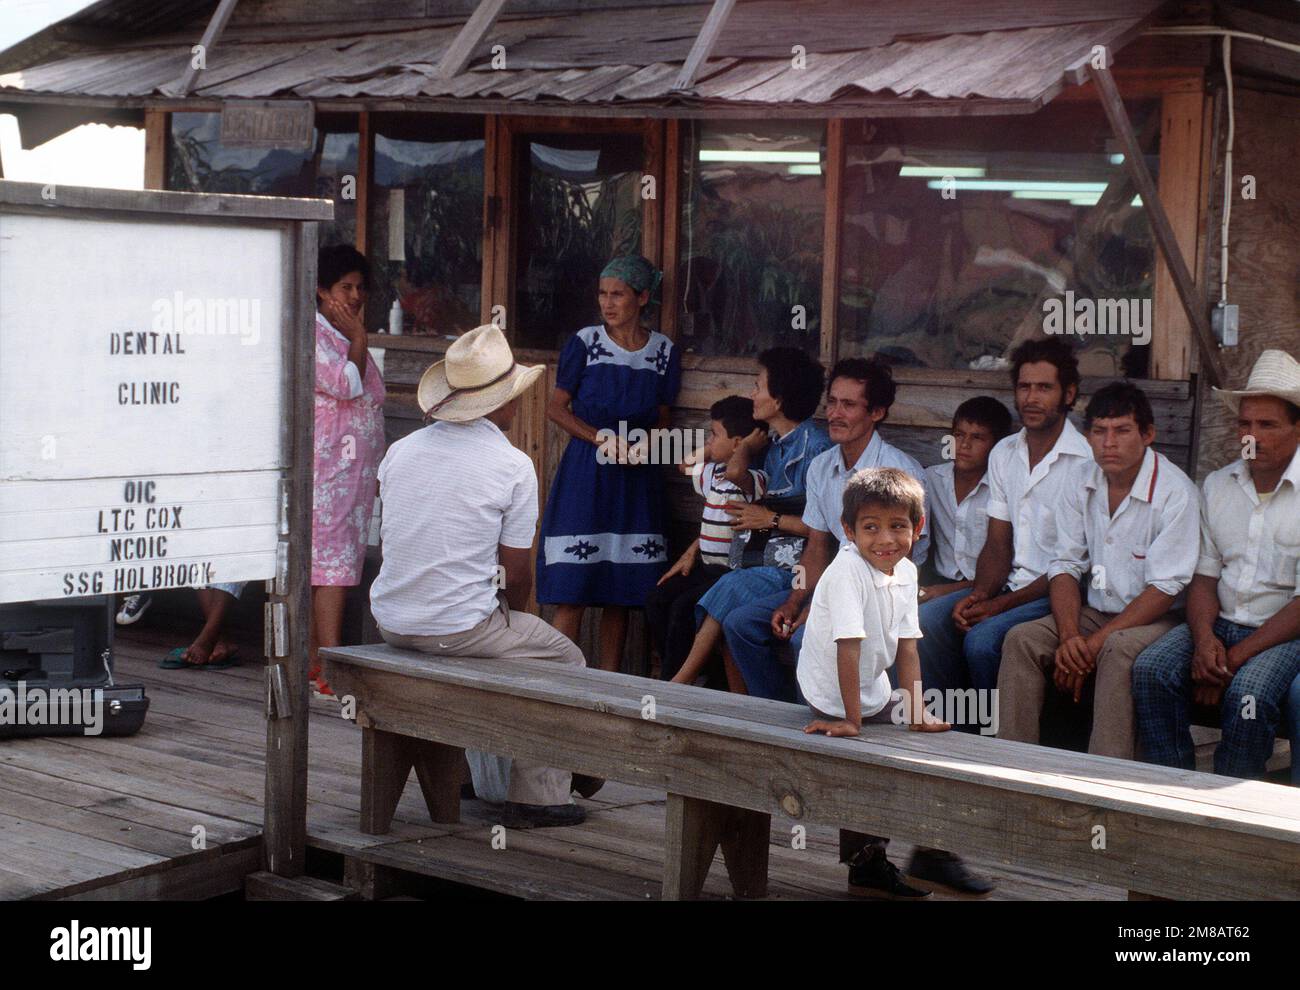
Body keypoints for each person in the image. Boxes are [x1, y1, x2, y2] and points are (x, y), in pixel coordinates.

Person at [369, 324, 596, 829]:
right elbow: (517, 574)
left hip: (391, 619)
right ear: (501, 404)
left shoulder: (399, 451)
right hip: (455, 629)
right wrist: (512, 614)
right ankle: (539, 795)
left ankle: (473, 775)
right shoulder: (511, 465)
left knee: (497, 644)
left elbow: (395, 543)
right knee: (563, 657)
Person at [998, 383, 1198, 758]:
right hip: (1096, 612)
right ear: (1087, 435)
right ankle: (1013, 762)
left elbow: (1166, 589)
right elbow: (1065, 564)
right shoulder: (1081, 480)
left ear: (1148, 434)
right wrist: (1072, 636)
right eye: (1100, 431)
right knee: (1022, 639)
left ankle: (1106, 776)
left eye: (1122, 431)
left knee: (1117, 650)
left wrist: (1092, 643)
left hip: (1159, 618)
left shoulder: (1175, 491)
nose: (1109, 443)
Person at [1133, 349, 1300, 780]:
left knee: (1249, 696)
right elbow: (1204, 577)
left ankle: (1231, 807)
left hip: (1281, 632)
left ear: (1298, 428)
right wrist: (1206, 641)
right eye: (1244, 424)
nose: (1252, 435)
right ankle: (1171, 790)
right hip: (1220, 623)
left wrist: (1234, 658)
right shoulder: (1218, 485)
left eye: (1267, 425)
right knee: (1152, 670)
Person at [730, 357, 929, 702]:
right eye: (833, 402)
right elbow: (818, 546)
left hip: (888, 590)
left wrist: (819, 607)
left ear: (877, 413)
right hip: (840, 579)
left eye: (849, 405)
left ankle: (819, 727)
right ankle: (779, 716)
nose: (836, 413)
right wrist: (795, 602)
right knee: (741, 624)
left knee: (803, 636)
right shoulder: (823, 467)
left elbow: (893, 563)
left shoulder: (897, 472)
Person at [800, 468, 950, 899]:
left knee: (924, 749)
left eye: (898, 526)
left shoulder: (906, 573)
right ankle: (866, 862)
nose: (886, 540)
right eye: (871, 528)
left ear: (917, 529)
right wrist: (850, 720)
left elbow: (908, 648)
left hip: (872, 685)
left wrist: (917, 710)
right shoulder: (848, 570)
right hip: (832, 688)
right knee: (867, 760)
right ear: (848, 531)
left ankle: (930, 854)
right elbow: (847, 648)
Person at [918, 337, 1092, 697]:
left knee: (982, 642)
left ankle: (993, 740)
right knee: (927, 622)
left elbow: (1072, 565)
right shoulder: (1004, 453)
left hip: (1062, 592)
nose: (1031, 398)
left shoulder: (1087, 461)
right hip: (1009, 583)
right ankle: (950, 730)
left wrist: (998, 605)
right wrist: (980, 594)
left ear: (1069, 395)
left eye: (1044, 388)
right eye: (1024, 387)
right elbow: (998, 542)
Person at [537, 255, 682, 671]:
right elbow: (556, 408)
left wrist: (647, 445)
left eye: (617, 294)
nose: (608, 302)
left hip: (636, 478)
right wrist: (600, 437)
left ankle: (608, 682)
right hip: (588, 470)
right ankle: (559, 682)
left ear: (642, 297)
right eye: (603, 293)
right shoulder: (585, 343)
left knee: (619, 587)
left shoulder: (664, 351)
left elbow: (663, 416)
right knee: (575, 584)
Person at [678, 347, 830, 694]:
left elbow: (829, 532)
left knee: (730, 591)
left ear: (778, 399)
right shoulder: (768, 442)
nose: (752, 394)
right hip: (757, 558)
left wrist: (771, 519)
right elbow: (721, 471)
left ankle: (682, 682)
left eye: (758, 385)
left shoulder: (817, 449)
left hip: (799, 567)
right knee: (728, 613)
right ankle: (743, 704)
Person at [310, 245, 386, 696]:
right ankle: (331, 664)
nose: (355, 295)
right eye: (345, 287)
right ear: (322, 290)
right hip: (330, 470)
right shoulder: (317, 335)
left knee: (334, 563)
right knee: (331, 565)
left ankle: (318, 661)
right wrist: (359, 336)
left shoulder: (338, 334)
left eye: (360, 288)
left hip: (353, 471)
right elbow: (346, 384)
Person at [648, 396, 766, 684]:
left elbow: (738, 471)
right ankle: (680, 667)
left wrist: (746, 448)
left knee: (683, 608)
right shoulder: (713, 474)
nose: (710, 441)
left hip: (729, 574)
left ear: (738, 443)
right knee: (657, 599)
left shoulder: (751, 478)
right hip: (705, 567)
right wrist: (713, 448)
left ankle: (675, 682)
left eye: (714, 434)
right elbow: (684, 465)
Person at [921, 396, 1014, 602]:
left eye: (978, 438)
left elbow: (1004, 564)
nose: (964, 444)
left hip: (989, 587)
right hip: (938, 580)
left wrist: (944, 592)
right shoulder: (931, 480)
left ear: (997, 446)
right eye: (959, 435)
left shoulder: (1004, 490)